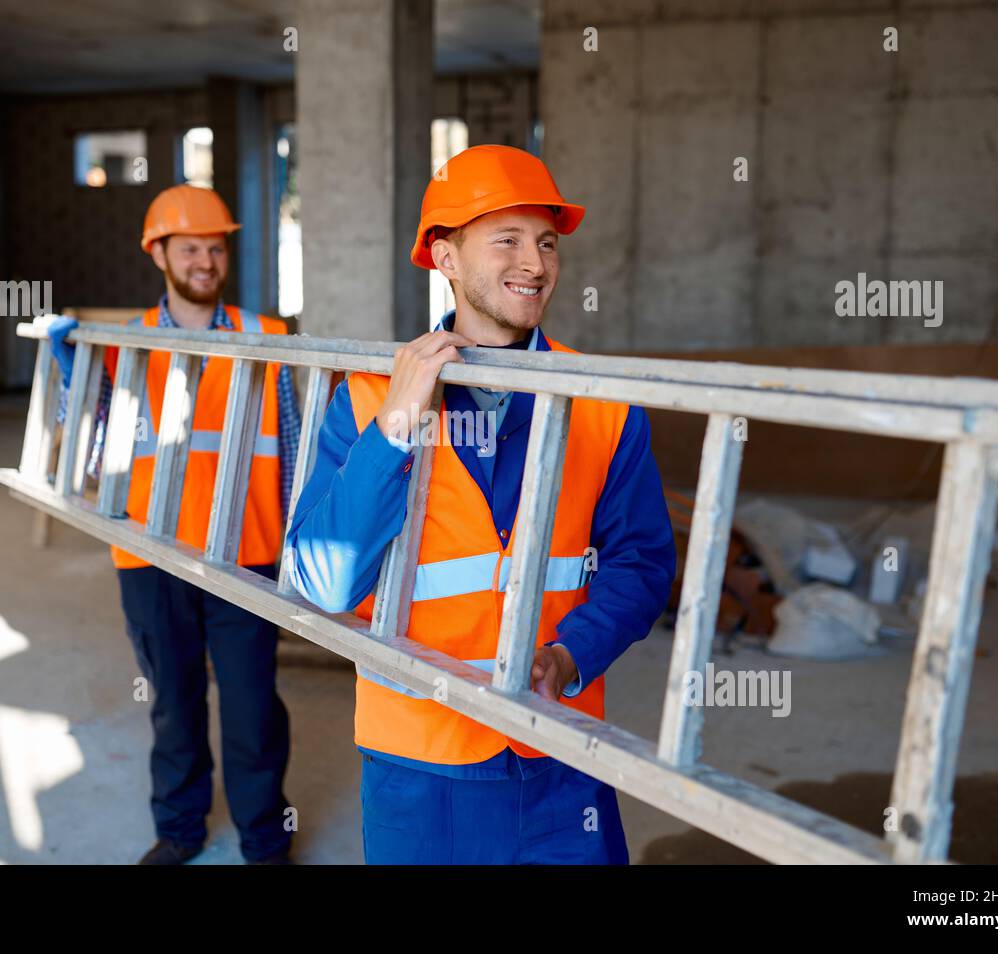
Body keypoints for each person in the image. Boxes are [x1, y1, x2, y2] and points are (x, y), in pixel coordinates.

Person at [284, 145, 677, 864]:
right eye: (508, 239)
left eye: (547, 241)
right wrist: (394, 431)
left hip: (561, 751)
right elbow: (323, 584)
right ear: (446, 257)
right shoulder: (369, 398)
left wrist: (571, 654)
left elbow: (641, 563)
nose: (535, 262)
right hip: (420, 762)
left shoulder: (599, 400)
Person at [48, 184, 297, 865]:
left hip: (245, 556)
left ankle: (265, 838)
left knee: (251, 709)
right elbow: (95, 451)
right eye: (190, 248)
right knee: (174, 703)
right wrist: (74, 378)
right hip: (151, 556)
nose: (205, 261)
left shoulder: (265, 337)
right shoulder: (126, 345)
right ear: (159, 252)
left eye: (215, 248)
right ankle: (181, 829)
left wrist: (299, 548)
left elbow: (294, 448)